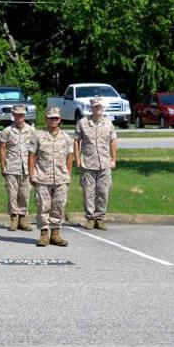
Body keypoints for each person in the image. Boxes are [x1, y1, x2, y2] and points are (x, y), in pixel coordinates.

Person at [30, 107, 74, 247]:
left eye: (56, 118)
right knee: (43, 205)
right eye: (51, 118)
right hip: (42, 177)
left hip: (61, 178)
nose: (54, 120)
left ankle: (55, 233)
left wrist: (67, 174)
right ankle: (44, 233)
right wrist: (32, 174)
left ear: (60, 120)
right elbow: (31, 156)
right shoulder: (38, 136)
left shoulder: (66, 138)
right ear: (46, 119)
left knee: (58, 205)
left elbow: (69, 157)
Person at [75, 96, 118, 230]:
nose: (98, 109)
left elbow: (113, 141)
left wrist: (113, 159)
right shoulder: (83, 123)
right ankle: (90, 218)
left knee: (103, 191)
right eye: (95, 107)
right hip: (88, 162)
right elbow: (76, 141)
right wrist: (77, 159)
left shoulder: (108, 123)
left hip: (104, 163)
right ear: (91, 108)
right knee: (88, 191)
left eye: (100, 106)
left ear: (102, 108)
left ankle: (100, 218)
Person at [0, 105, 36, 231]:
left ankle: (22, 218)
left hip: (26, 167)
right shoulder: (7, 131)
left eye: (22, 115)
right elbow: (2, 148)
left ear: (25, 116)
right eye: (17, 115)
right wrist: (3, 165)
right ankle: (14, 217)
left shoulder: (31, 131)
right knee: (12, 194)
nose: (20, 117)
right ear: (13, 115)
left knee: (24, 195)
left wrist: (33, 168)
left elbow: (35, 150)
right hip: (11, 167)